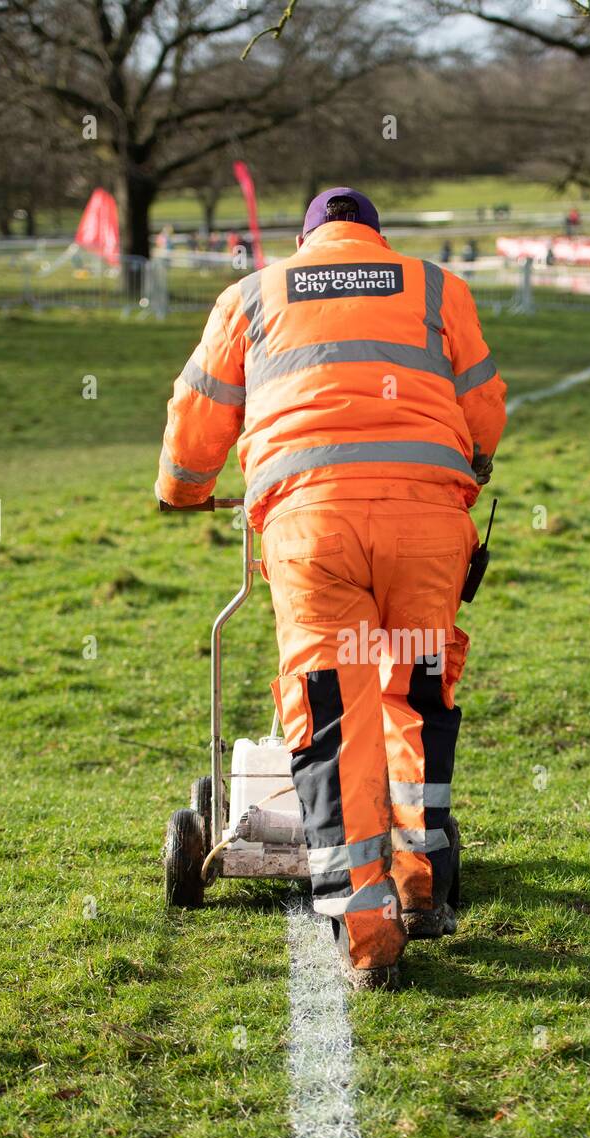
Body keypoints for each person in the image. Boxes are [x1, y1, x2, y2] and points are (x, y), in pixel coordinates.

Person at [155, 187, 506, 990]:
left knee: (330, 714)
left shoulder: (251, 295)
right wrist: (474, 457)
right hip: (424, 523)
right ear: (374, 239)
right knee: (416, 694)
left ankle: (369, 936)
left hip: (314, 532)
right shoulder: (433, 286)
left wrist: (180, 489)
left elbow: (198, 412)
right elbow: (482, 401)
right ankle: (425, 887)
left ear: (306, 241)